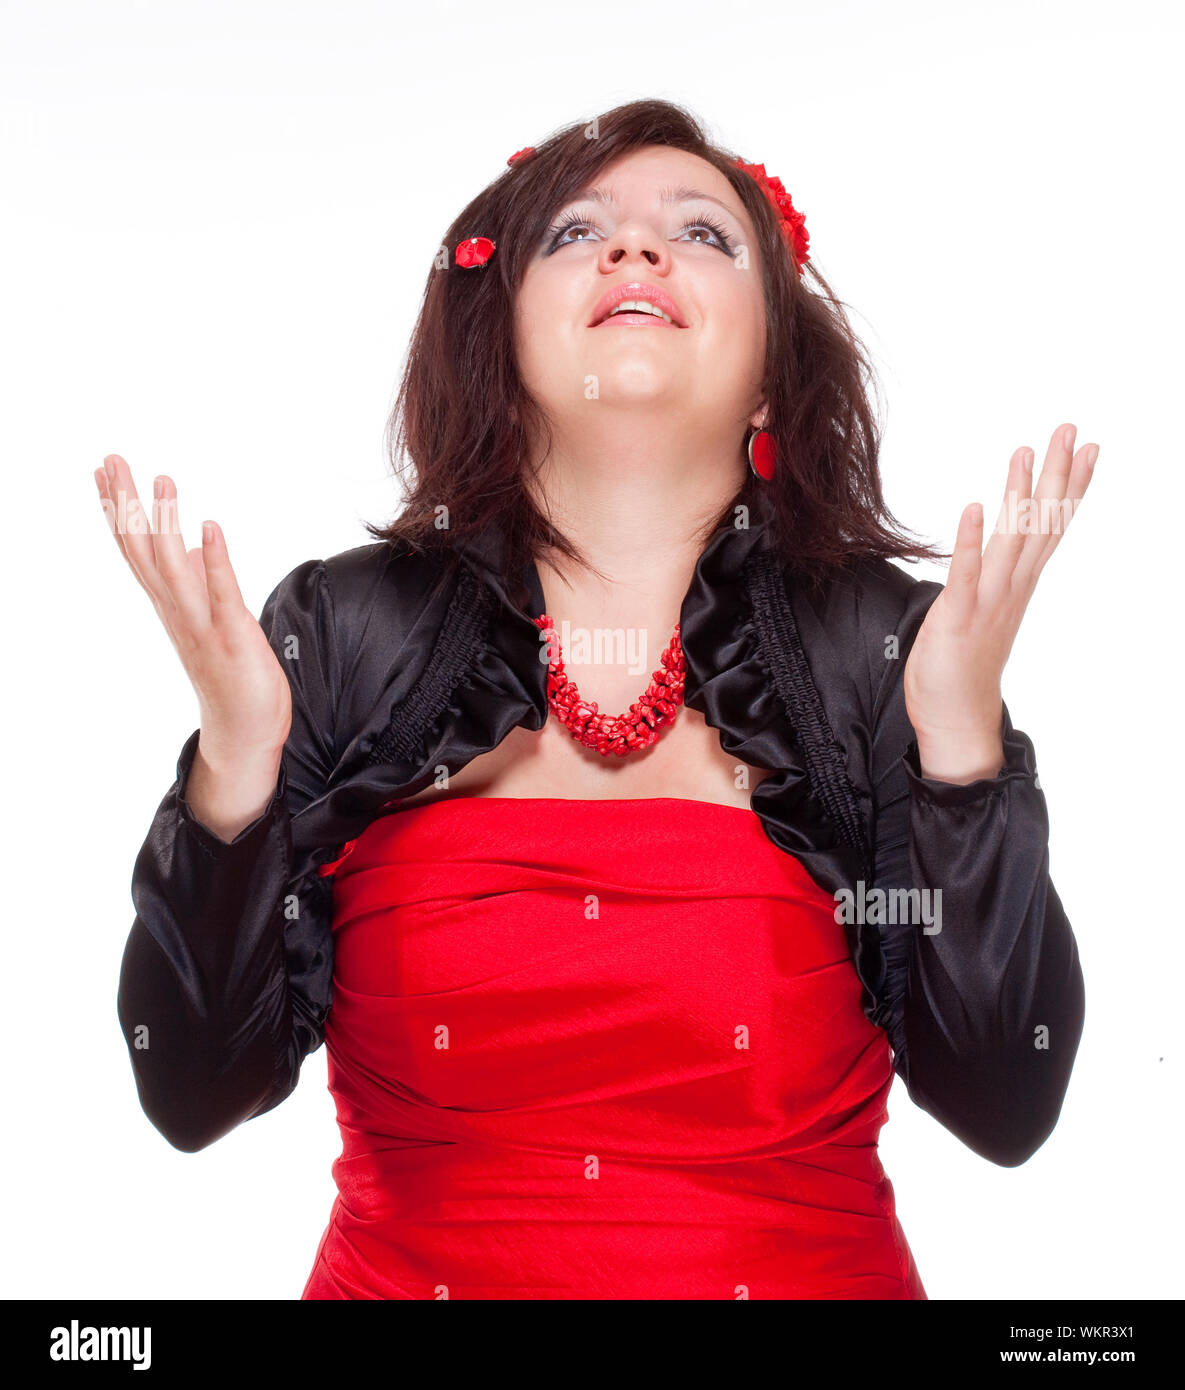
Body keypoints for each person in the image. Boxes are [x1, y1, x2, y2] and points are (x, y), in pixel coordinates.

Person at [101, 98, 1090, 1300]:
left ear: (773, 375)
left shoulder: (884, 650)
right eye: (579, 232)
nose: (636, 250)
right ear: (500, 337)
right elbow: (194, 1092)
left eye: (703, 235)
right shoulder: (340, 631)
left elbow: (1006, 1104)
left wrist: (961, 762)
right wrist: (233, 777)